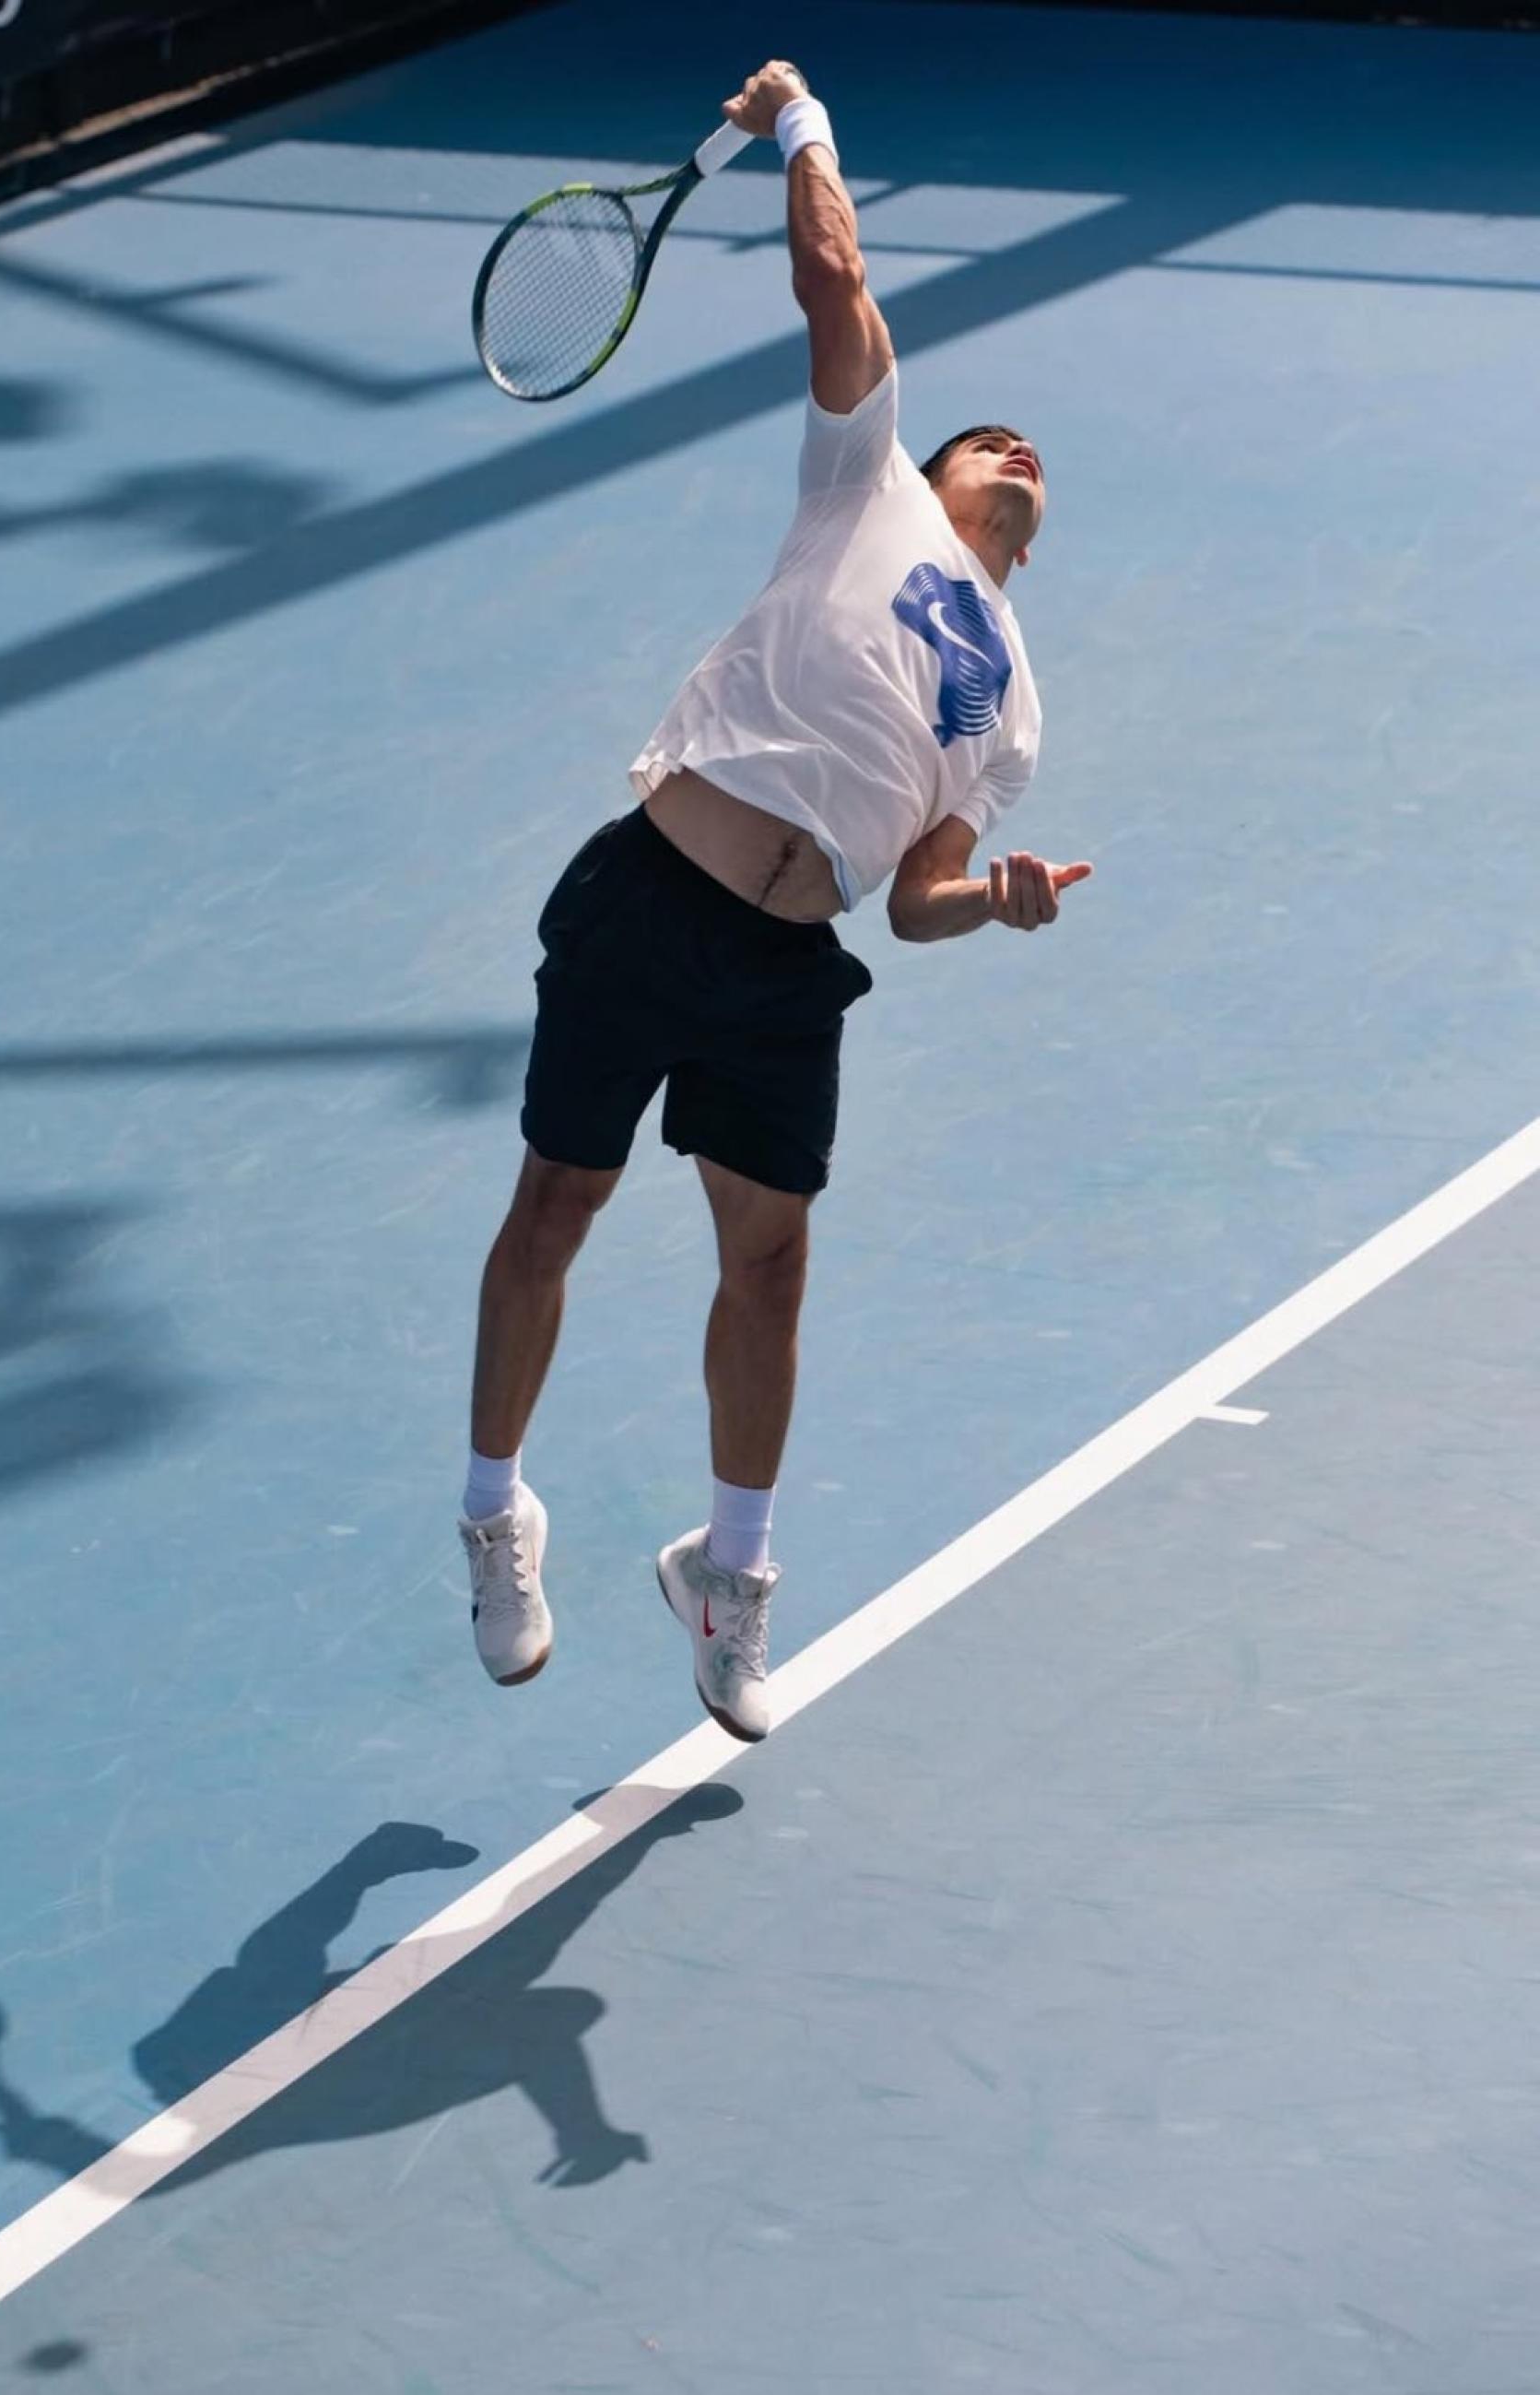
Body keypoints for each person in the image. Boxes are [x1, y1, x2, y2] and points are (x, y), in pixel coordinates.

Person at [458, 60, 1092, 1743]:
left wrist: (1000, 903)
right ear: (938, 466)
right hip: (652, 891)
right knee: (557, 1207)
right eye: (992, 438)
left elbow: (922, 899)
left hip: (787, 964)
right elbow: (837, 278)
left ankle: (728, 1572)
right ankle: (492, 1510)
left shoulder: (1014, 702)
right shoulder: (863, 479)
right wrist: (803, 122)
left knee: (776, 1263)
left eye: (1038, 457)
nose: (1018, 449)